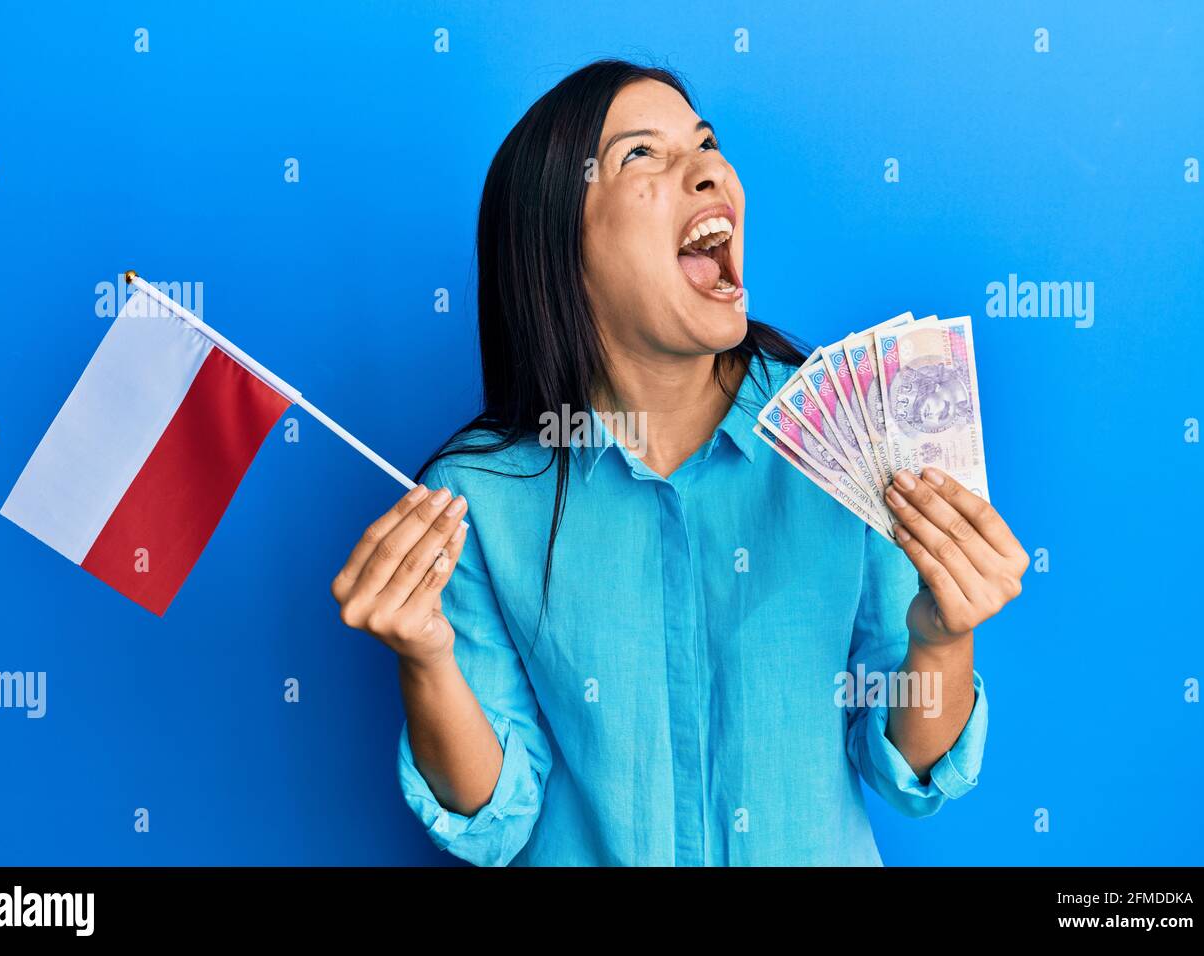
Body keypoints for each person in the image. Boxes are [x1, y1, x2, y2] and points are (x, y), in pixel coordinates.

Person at [330, 59, 1028, 866]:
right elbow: (496, 818)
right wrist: (425, 658)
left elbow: (906, 771)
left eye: (706, 144)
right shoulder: (474, 498)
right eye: (642, 155)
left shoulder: (848, 433)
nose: (708, 172)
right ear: (559, 246)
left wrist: (941, 640)